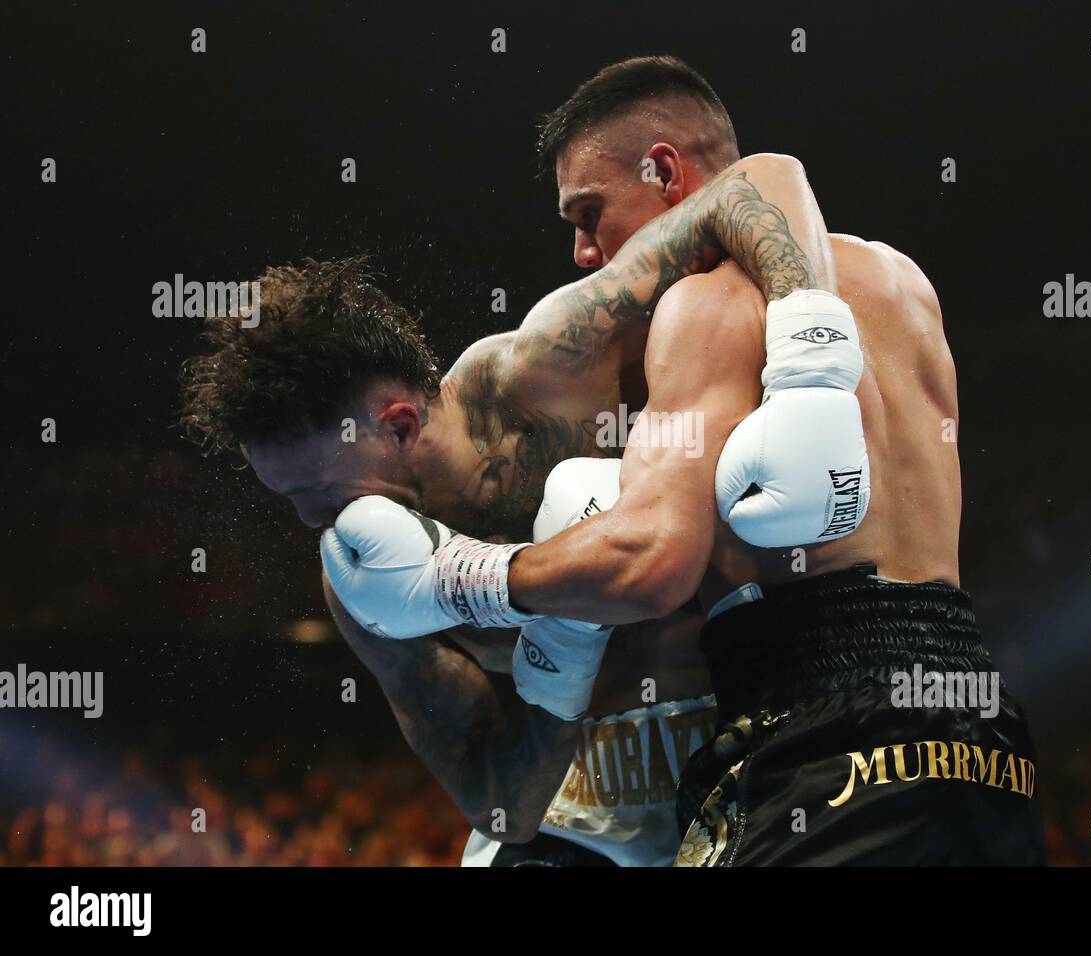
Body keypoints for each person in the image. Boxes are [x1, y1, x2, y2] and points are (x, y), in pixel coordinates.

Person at [331, 56, 1045, 865]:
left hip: (810, 732)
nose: (582, 252)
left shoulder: (698, 310)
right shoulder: (902, 282)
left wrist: (464, 577)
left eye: (588, 212)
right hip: (980, 731)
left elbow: (653, 562)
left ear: (665, 170)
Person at [180, 149, 864, 865]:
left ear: (400, 426)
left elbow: (758, 183)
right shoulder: (359, 578)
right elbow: (500, 800)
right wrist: (560, 657)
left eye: (313, 493)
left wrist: (810, 372)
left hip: (751, 778)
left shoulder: (553, 368)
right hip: (576, 831)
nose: (309, 522)